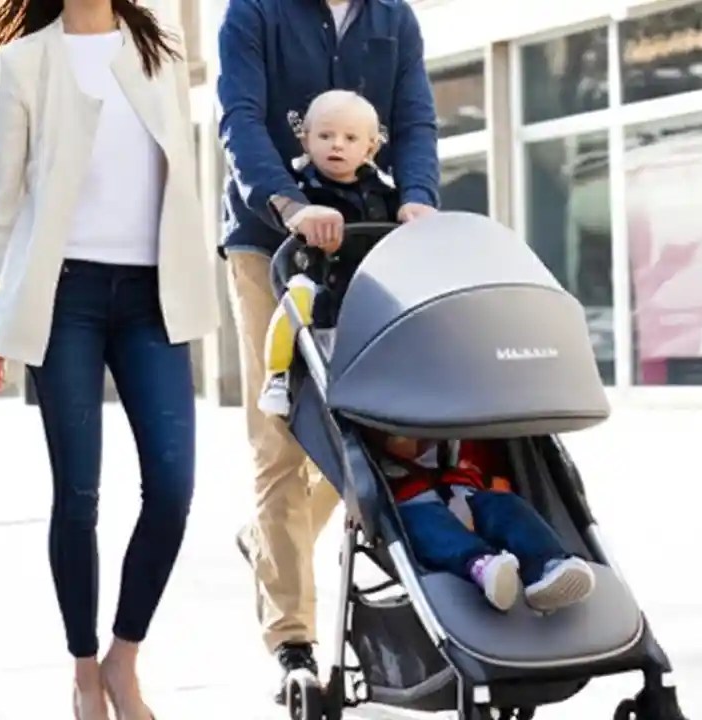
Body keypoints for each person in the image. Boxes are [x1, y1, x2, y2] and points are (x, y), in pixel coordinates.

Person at [0, 0, 218, 717]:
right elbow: (1, 196)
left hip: (153, 297)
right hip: (65, 295)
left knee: (172, 488)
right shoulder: (25, 62)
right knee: (77, 496)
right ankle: (83, 670)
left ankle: (123, 658)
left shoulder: (157, 52)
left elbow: (183, 176)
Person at [217, 0, 441, 702]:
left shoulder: (394, 18)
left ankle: (267, 541)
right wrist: (289, 204)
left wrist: (419, 196)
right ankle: (293, 641)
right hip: (271, 245)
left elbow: (414, 121)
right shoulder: (254, 11)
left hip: (369, 246)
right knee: (281, 438)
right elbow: (240, 119)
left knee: (369, 430)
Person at [257, 89, 398, 416]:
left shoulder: (383, 192)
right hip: (316, 277)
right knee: (298, 298)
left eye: (350, 138)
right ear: (306, 141)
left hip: (363, 287)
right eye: (325, 135)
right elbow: (288, 225)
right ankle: (278, 375)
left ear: (370, 148)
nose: (337, 144)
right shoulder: (301, 188)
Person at [369, 431, 597, 612]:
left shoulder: (463, 435)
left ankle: (548, 564)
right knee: (429, 527)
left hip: (467, 492)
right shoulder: (380, 457)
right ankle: (481, 566)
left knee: (508, 507)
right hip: (414, 506)